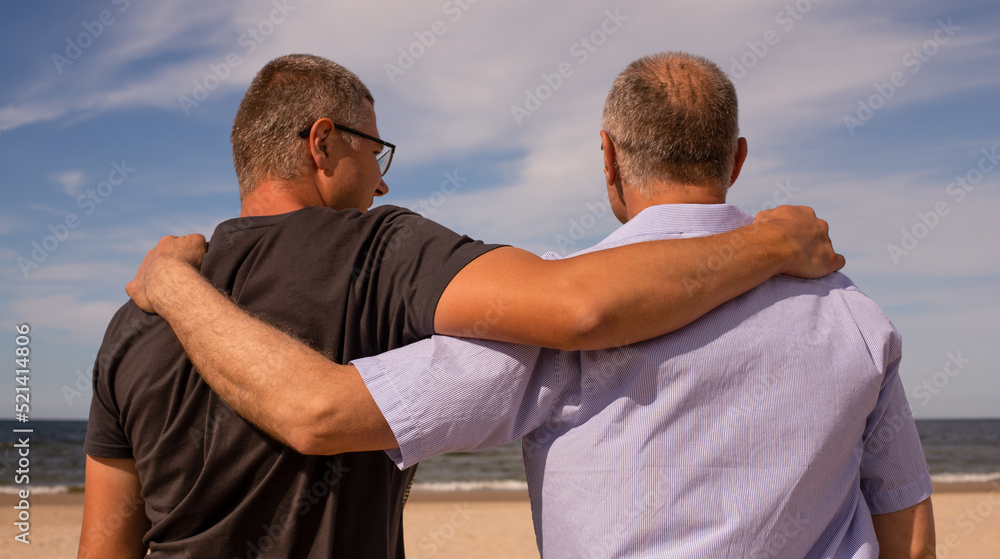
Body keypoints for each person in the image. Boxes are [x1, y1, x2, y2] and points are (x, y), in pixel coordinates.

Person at [88, 53, 843, 558]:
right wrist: (768, 243)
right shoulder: (381, 249)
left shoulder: (134, 320)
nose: (382, 183)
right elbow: (575, 304)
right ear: (322, 144)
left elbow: (105, 546)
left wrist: (173, 285)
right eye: (373, 153)